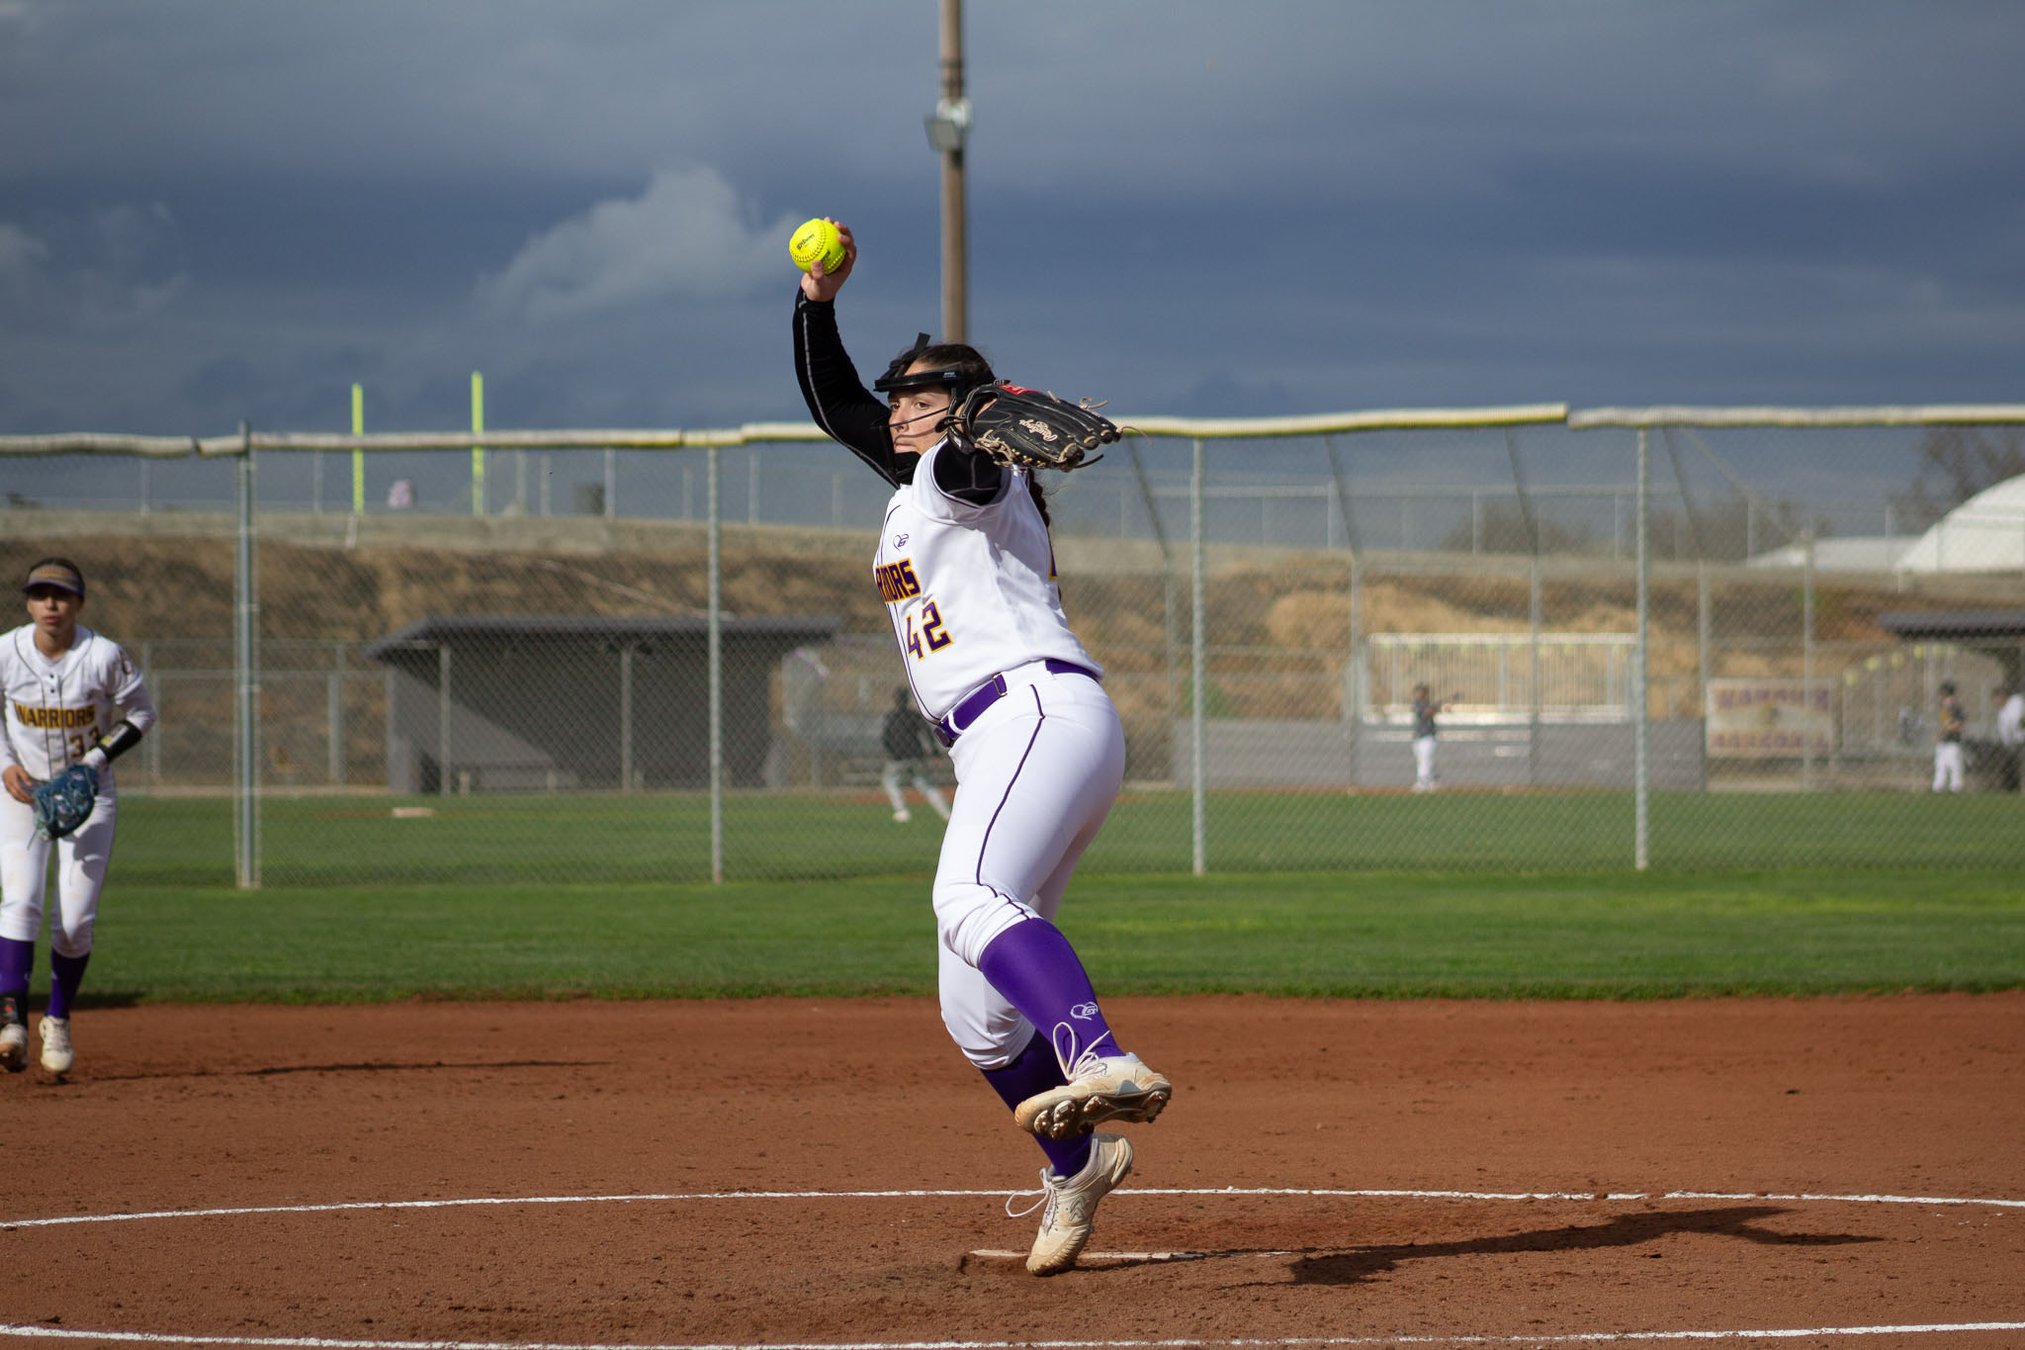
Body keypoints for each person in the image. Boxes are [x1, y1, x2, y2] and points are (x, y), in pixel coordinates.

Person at [792, 220, 1171, 1276]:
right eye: (899, 396)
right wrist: (816, 301)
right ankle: (1079, 1165)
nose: (897, 408)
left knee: (964, 901)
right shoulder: (914, 481)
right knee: (975, 1013)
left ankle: (1097, 1054)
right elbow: (838, 409)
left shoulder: (970, 476)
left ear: (961, 409)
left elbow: (966, 452)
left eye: (918, 394)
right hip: (1007, 740)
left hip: (1034, 715)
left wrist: (976, 426)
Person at [1, 558, 157, 1076]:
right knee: (21, 899)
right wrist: (4, 764)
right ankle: (12, 1022)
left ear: (79, 604)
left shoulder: (103, 655)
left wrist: (93, 762)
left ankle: (59, 1016)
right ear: (28, 601)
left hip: (89, 797)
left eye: (62, 595)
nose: (51, 604)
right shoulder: (6, 650)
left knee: (74, 923)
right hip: (23, 795)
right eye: (41, 593)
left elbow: (141, 712)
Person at [879, 686, 951, 823]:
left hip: (897, 757)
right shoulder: (914, 715)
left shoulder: (891, 716)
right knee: (925, 785)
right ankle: (946, 813)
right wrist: (934, 751)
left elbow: (885, 737)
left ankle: (901, 811)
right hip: (916, 755)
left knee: (890, 782)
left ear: (895, 700)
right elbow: (927, 733)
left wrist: (889, 752)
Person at [1410, 683, 1452, 792]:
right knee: (1423, 760)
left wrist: (1438, 706)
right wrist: (1435, 706)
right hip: (1419, 737)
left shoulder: (1428, 704)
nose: (1419, 695)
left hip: (1427, 737)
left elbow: (1433, 711)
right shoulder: (1418, 705)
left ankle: (1423, 783)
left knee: (1426, 760)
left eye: (1421, 692)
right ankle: (1432, 781)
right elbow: (1426, 712)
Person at [1932, 680, 1965, 793]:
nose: (1940, 696)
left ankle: (1956, 787)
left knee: (1953, 764)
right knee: (1940, 764)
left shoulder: (1955, 706)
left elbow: (1960, 723)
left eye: (1942, 693)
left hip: (1953, 741)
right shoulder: (1943, 707)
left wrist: (1948, 729)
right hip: (1944, 740)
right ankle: (1938, 786)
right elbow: (1944, 724)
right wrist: (1942, 733)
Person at [1995, 682, 2024, 792]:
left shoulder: (2016, 701)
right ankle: (2013, 787)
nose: (1996, 702)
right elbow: (2006, 734)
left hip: (2021, 739)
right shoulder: (2002, 713)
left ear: (2002, 696)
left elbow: (2019, 719)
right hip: (2014, 743)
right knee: (2012, 766)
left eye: (1997, 698)